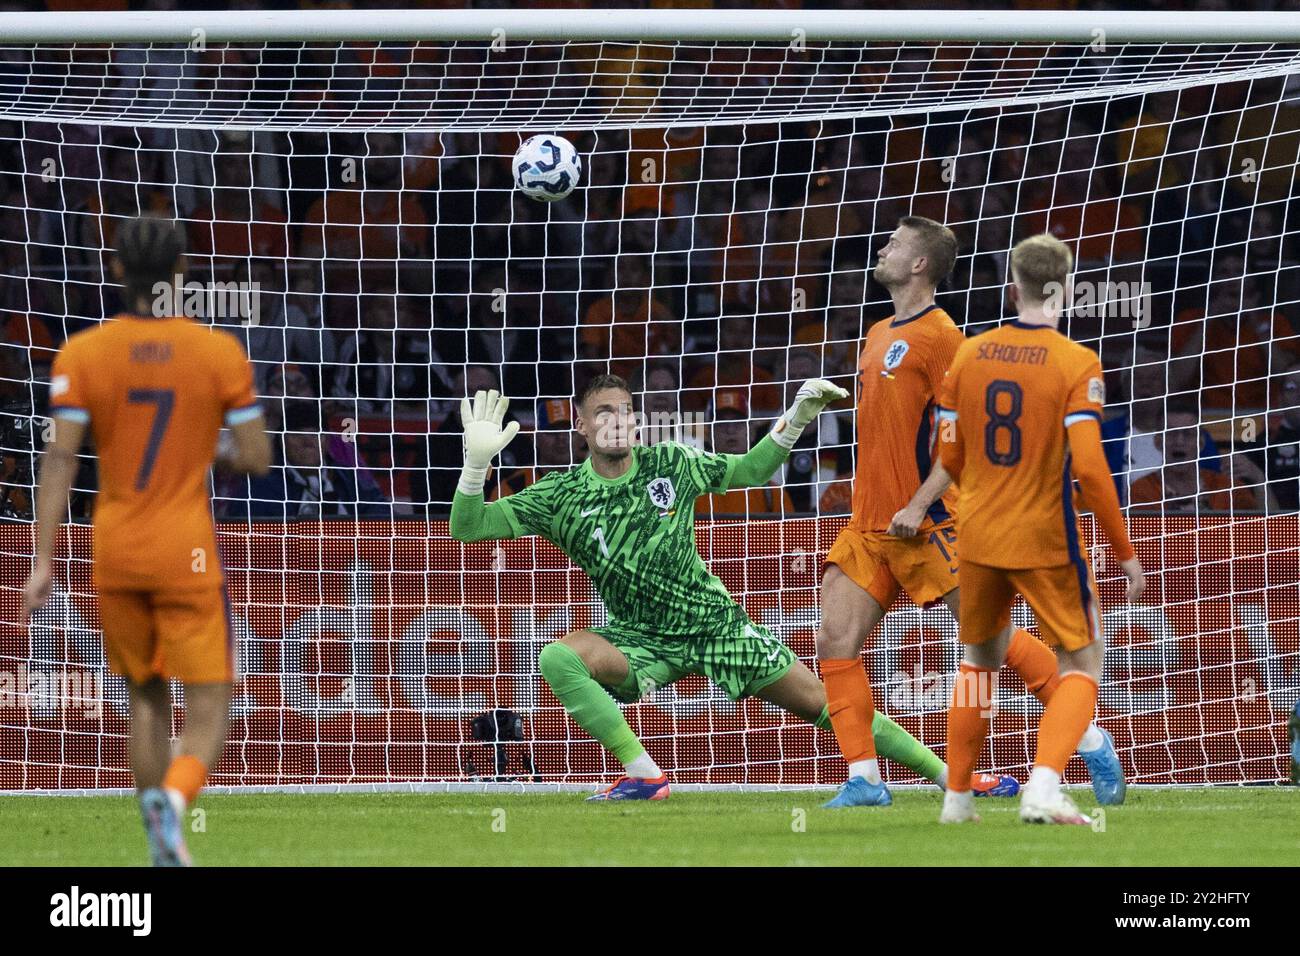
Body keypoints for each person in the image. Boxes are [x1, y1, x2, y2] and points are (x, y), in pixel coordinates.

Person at [450, 374, 1007, 800]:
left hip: (715, 625)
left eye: (625, 412)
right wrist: (475, 467)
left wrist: (796, 417)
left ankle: (953, 779)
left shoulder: (671, 462)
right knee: (556, 659)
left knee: (823, 702)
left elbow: (747, 472)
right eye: (603, 414)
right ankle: (643, 774)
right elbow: (468, 528)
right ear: (580, 425)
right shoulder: (559, 495)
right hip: (634, 638)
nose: (617, 422)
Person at [817, 216, 1122, 809]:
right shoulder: (878, 330)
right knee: (835, 638)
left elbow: (960, 435)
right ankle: (864, 779)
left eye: (894, 243)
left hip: (927, 521)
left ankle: (1086, 734)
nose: (882, 246)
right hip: (869, 523)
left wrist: (922, 500)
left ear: (919, 264)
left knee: (993, 638)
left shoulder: (942, 336)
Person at [23, 216, 271, 863]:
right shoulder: (217, 352)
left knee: (145, 697)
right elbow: (256, 456)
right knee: (211, 699)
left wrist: (44, 559)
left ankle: (155, 830)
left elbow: (59, 459)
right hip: (185, 549)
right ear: (181, 271)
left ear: (116, 270)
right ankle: (177, 803)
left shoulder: (81, 354)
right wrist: (204, 450)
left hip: (116, 549)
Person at [936, 233, 1145, 825]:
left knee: (977, 665)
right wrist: (1124, 550)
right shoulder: (1077, 363)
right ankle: (1044, 786)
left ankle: (956, 799)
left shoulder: (969, 355)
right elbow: (1091, 469)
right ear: (1064, 290)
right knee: (1082, 664)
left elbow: (946, 456)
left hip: (975, 534)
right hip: (1045, 538)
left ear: (1012, 283)